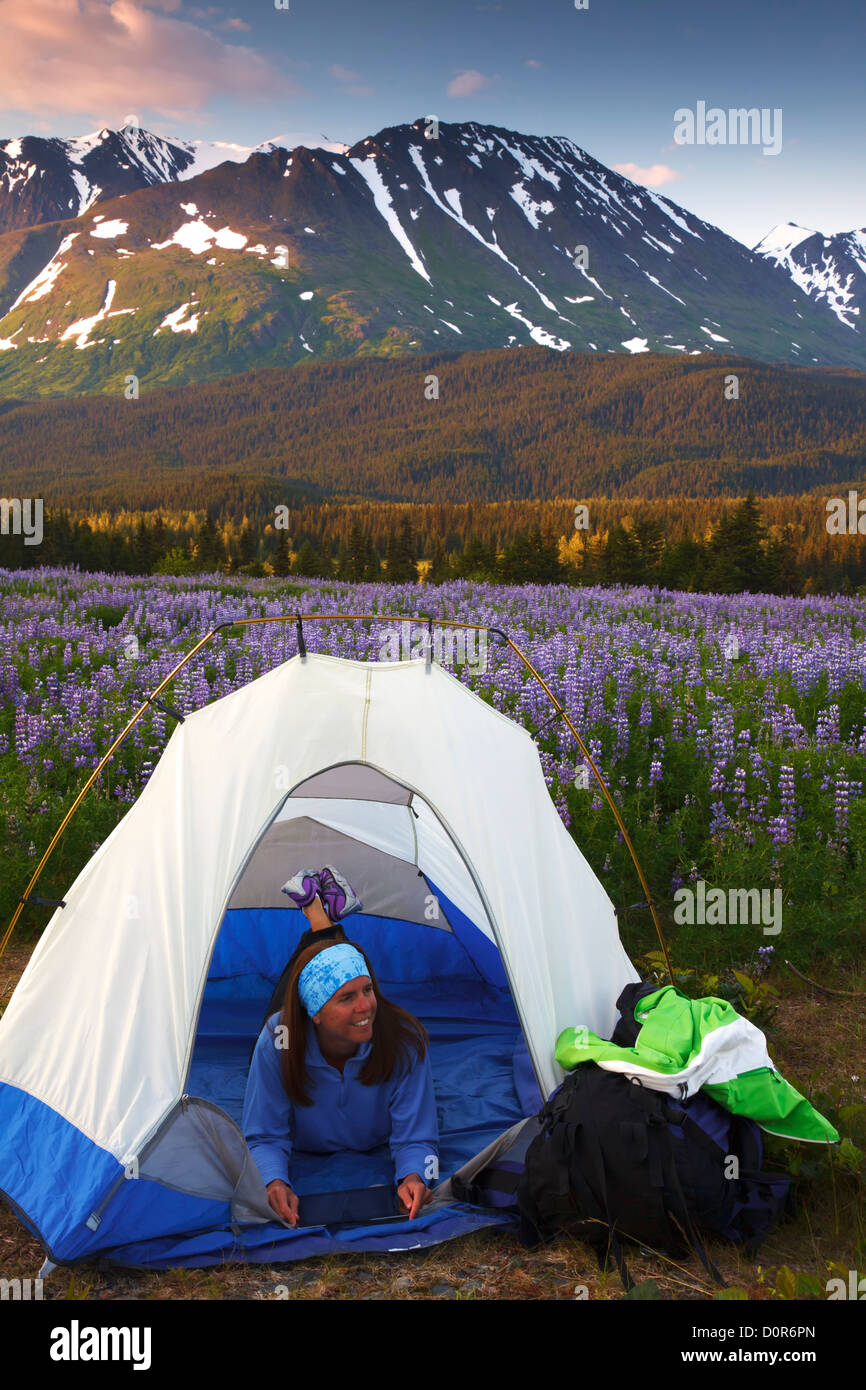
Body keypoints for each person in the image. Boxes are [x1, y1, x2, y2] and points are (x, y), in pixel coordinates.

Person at [243, 935, 439, 1227]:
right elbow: (264, 1134)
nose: (365, 1007)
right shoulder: (277, 1041)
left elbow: (417, 1135)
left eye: (368, 990)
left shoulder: (404, 1040)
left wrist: (414, 1177)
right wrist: (273, 1182)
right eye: (347, 997)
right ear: (316, 1012)